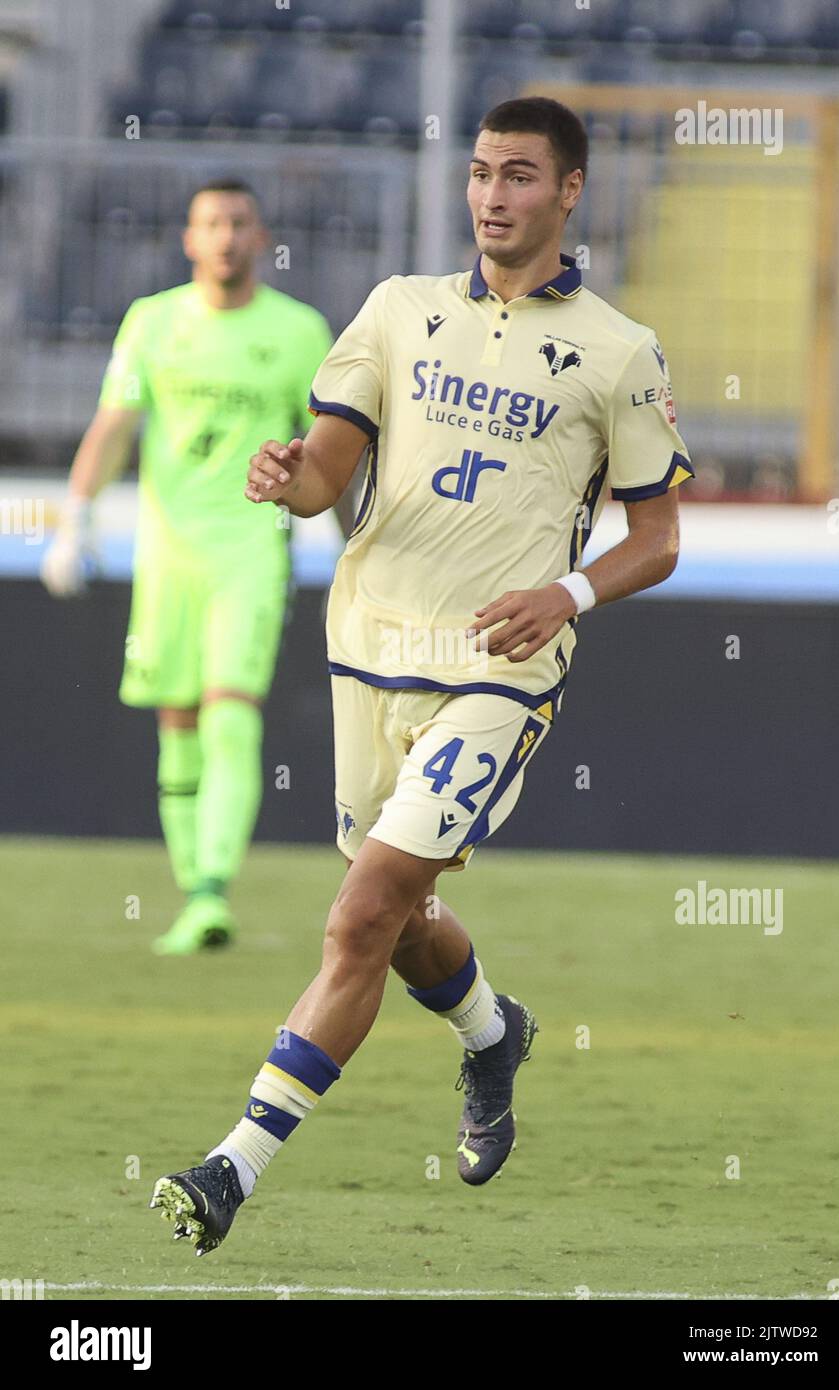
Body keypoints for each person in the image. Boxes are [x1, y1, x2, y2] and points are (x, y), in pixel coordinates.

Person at [150, 97, 693, 1254]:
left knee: (356, 917)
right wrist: (282, 474)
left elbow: (657, 538)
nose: (493, 195)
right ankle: (493, 1034)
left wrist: (569, 592)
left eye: (520, 176)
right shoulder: (396, 313)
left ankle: (232, 1166)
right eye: (481, 173)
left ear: (569, 192)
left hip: (500, 671)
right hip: (368, 649)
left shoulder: (619, 351)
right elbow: (321, 476)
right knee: (400, 923)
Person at [41, 179, 334, 954]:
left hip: (251, 550)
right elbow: (115, 424)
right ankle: (191, 888)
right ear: (189, 239)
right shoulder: (154, 322)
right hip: (168, 553)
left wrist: (348, 542)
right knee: (177, 719)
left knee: (230, 710)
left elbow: (331, 451)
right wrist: (74, 519)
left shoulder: (300, 332)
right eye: (213, 223)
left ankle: (212, 894)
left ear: (259, 233)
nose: (227, 237)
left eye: (239, 222)